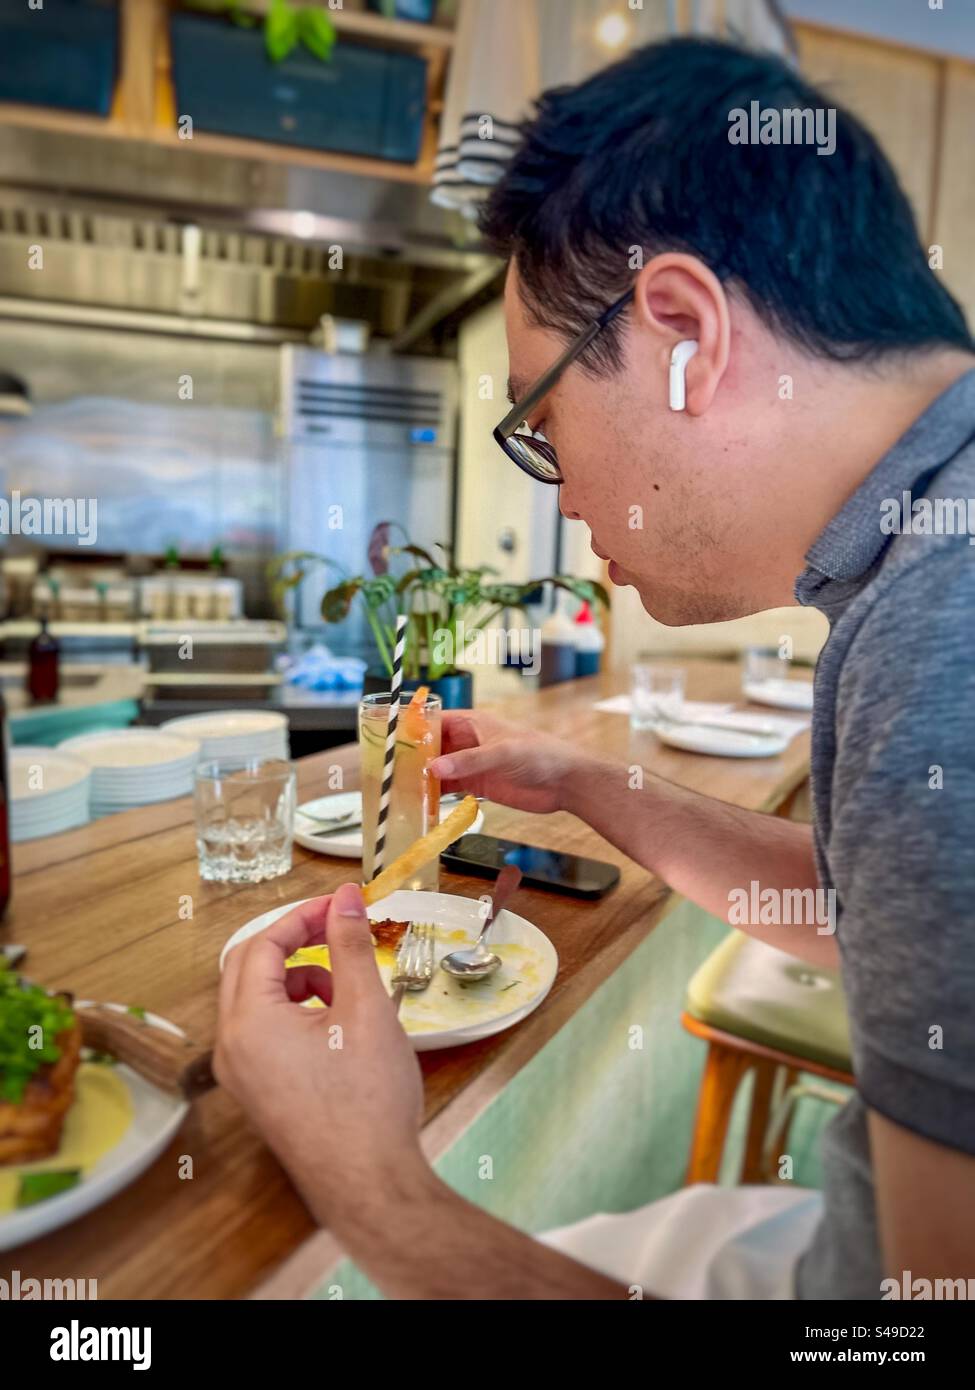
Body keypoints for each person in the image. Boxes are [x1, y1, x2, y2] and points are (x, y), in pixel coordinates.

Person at [216, 38, 975, 1299]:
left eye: (541, 420)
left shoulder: (937, 632)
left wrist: (371, 1182)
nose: (562, 497)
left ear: (681, 331)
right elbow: (869, 915)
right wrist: (585, 782)